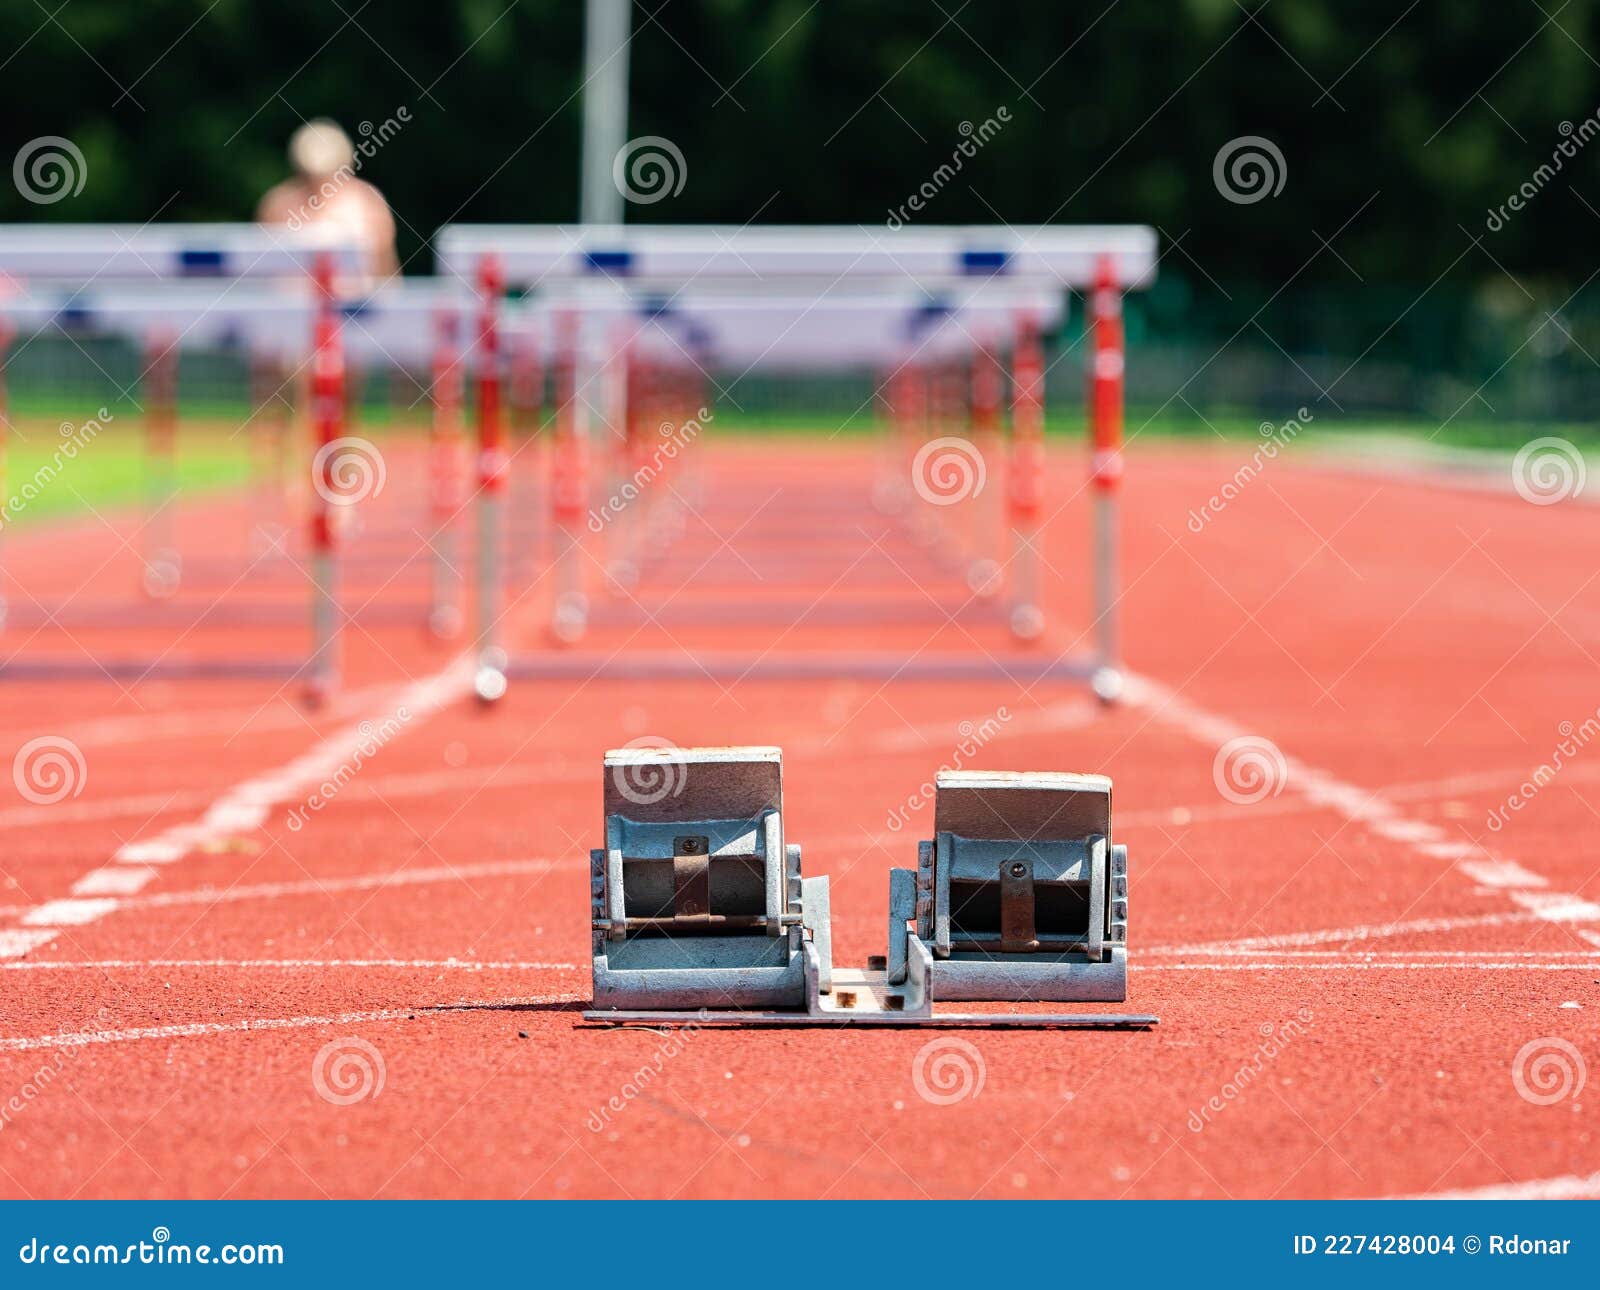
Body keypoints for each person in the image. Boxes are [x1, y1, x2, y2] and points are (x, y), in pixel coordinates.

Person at [256, 119, 399, 281]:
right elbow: (261, 272)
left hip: (355, 303)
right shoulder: (278, 204)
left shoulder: (366, 202)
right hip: (289, 303)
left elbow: (386, 269)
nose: (319, 187)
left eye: (327, 177)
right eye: (310, 176)